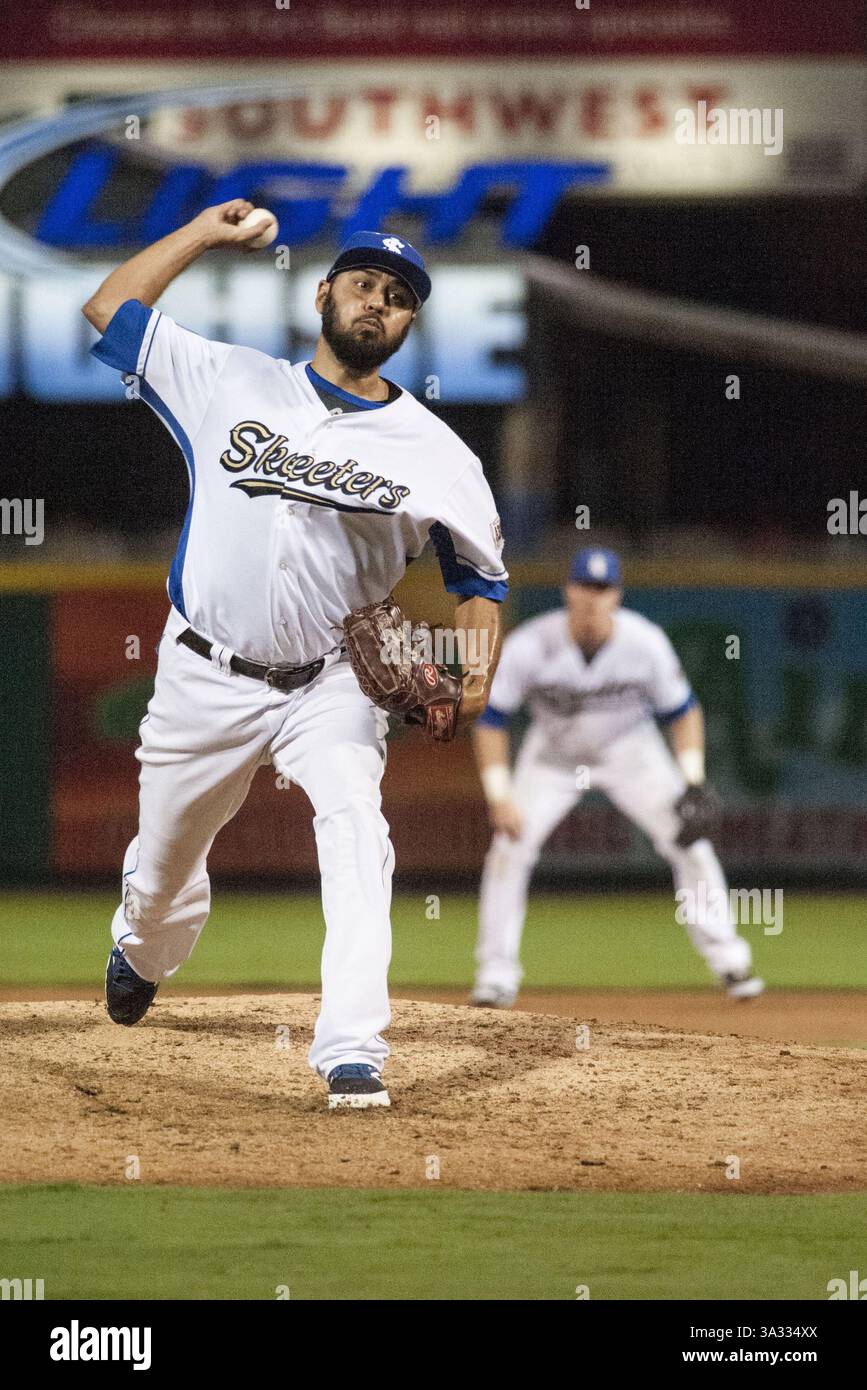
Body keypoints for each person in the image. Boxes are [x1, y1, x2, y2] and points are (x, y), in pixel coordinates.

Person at [82, 201, 507, 1108]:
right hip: (203, 671)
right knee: (162, 876)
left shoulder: (438, 456)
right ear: (323, 294)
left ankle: (352, 1051)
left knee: (357, 830)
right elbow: (108, 308)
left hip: (334, 680)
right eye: (362, 283)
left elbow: (481, 585)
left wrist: (473, 684)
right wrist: (202, 232)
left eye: (397, 297)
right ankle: (143, 944)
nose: (376, 302)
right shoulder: (224, 378)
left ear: (407, 324)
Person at [470, 547, 763, 1008]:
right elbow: (491, 720)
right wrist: (499, 793)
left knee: (691, 840)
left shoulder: (643, 643)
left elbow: (684, 713)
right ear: (568, 589)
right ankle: (495, 974)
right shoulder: (530, 645)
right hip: (553, 757)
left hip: (631, 751)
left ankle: (730, 960)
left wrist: (691, 779)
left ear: (617, 596)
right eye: (585, 585)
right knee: (509, 846)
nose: (593, 597)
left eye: (603, 589)